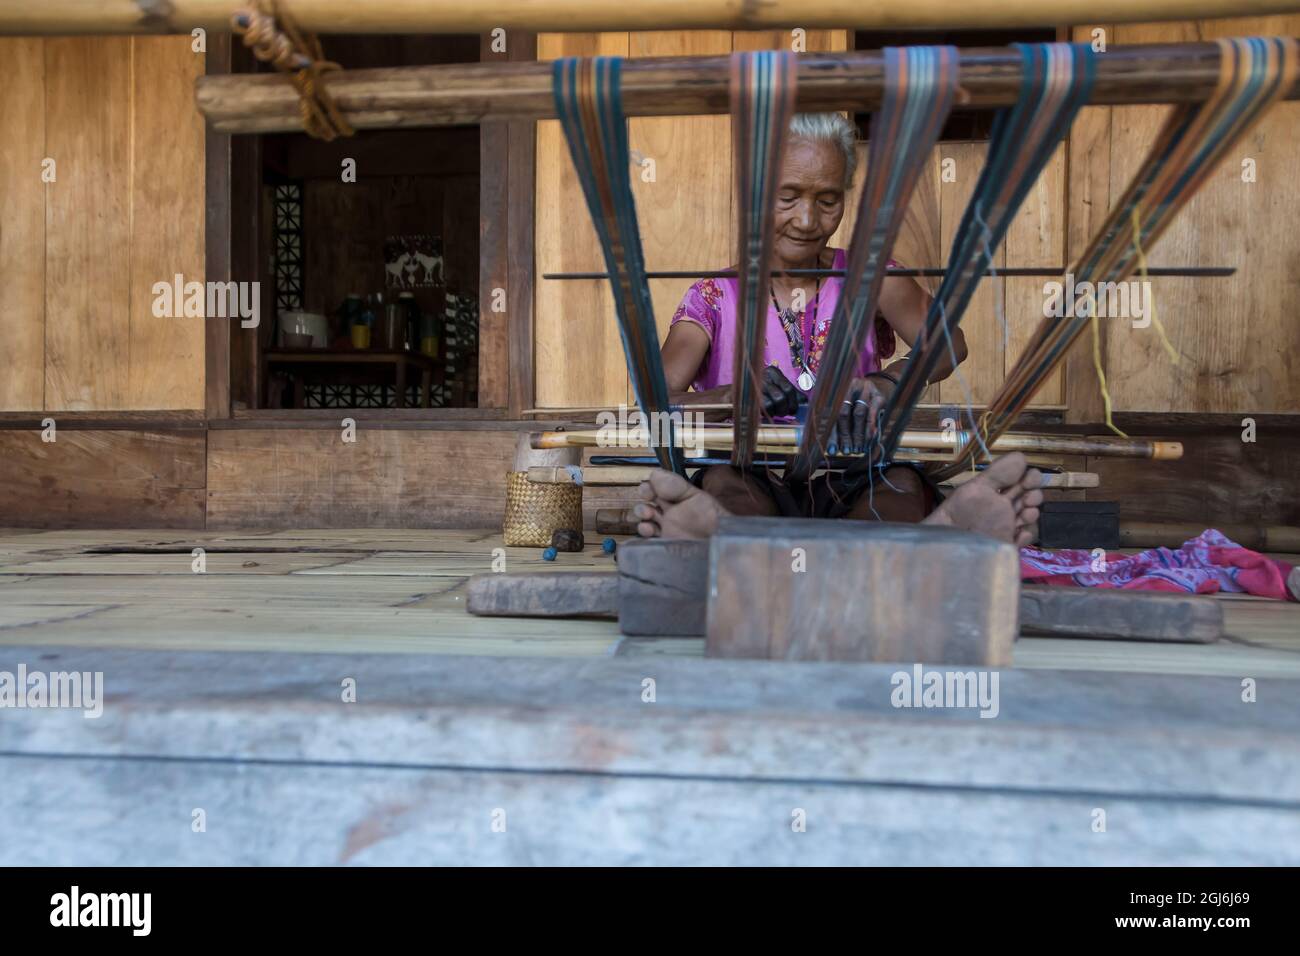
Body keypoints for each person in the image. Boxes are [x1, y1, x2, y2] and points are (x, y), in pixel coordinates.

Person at [636, 113, 1042, 544]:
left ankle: (919, 536)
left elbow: (949, 344)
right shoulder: (716, 295)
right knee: (729, 491)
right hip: (752, 470)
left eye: (827, 201)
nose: (808, 221)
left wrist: (888, 382)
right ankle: (734, 532)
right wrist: (732, 397)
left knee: (898, 491)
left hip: (860, 470)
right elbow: (655, 407)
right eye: (787, 197)